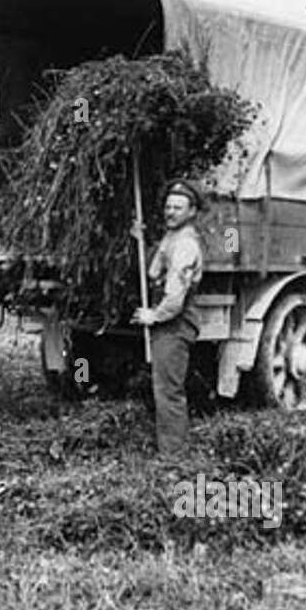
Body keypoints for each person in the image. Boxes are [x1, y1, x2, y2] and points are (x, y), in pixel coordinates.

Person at [132, 178, 206, 454]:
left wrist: (154, 315)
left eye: (178, 207)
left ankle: (173, 456)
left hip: (175, 323)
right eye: (168, 206)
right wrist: (142, 241)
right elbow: (154, 270)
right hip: (169, 323)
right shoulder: (171, 236)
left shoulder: (186, 245)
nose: (171, 212)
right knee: (164, 385)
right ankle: (171, 448)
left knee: (168, 390)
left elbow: (175, 297)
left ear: (192, 212)